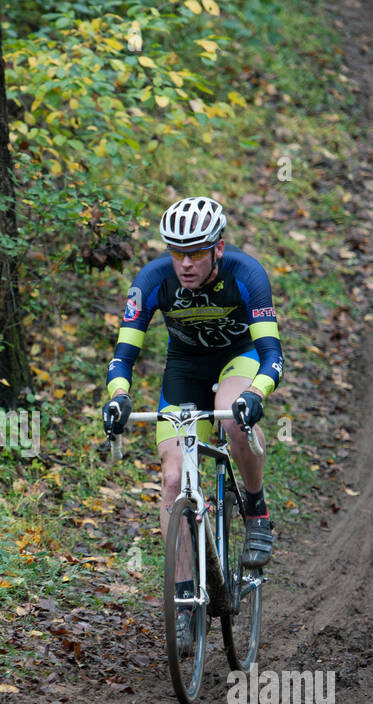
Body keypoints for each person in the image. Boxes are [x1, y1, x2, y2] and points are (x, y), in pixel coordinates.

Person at [101, 196, 284, 650]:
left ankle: (256, 511)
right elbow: (123, 356)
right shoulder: (152, 280)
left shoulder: (247, 275)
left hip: (236, 362)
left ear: (217, 249)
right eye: (175, 252)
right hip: (183, 372)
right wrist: (119, 398)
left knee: (232, 411)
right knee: (171, 479)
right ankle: (185, 603)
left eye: (196, 253)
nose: (184, 263)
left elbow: (273, 356)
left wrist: (256, 394)